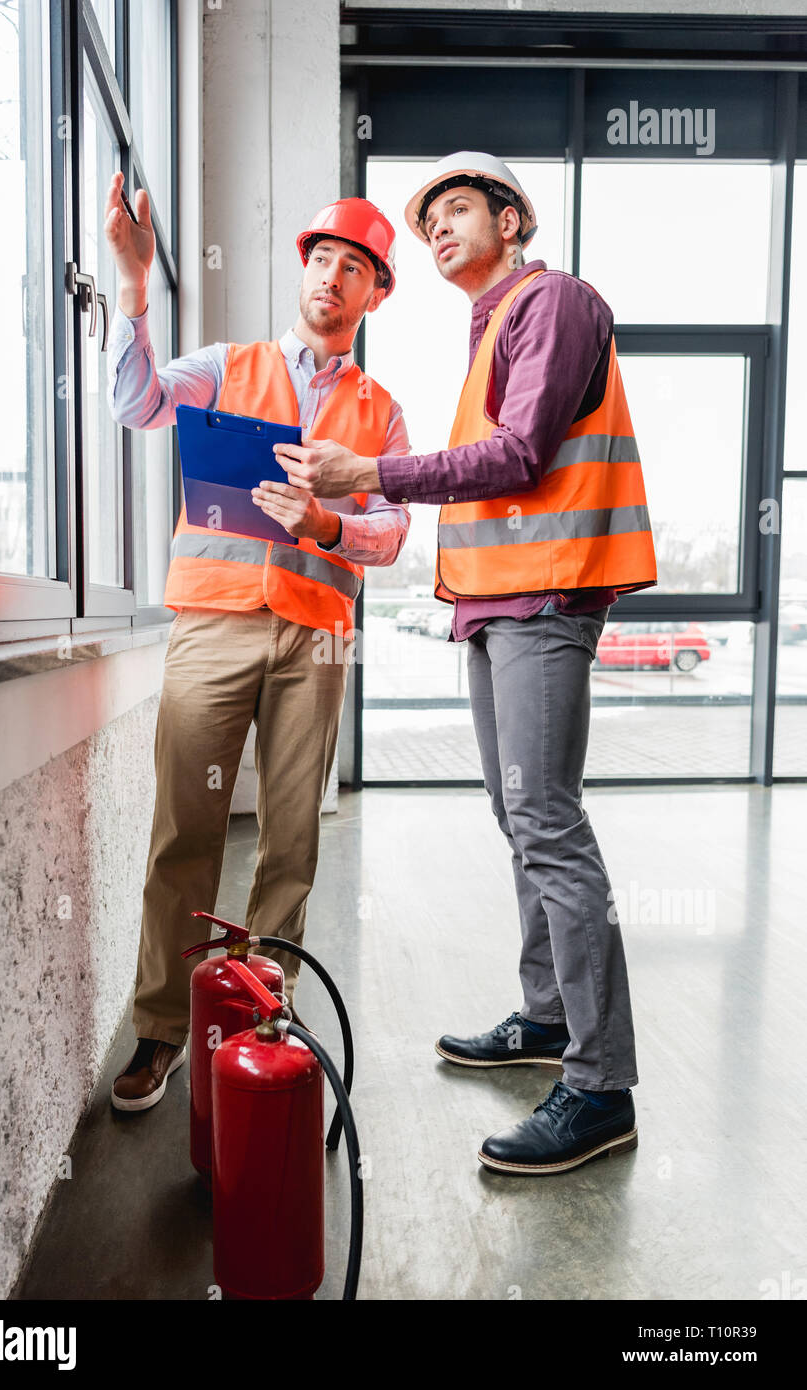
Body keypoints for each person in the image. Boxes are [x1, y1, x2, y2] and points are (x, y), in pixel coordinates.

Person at [275, 152, 657, 1174]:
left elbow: (519, 456)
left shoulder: (554, 302)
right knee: (519, 817)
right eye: (429, 216)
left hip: (546, 598)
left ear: (511, 219)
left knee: (548, 822)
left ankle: (601, 1082)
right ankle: (547, 1019)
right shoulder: (492, 326)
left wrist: (373, 472)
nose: (439, 227)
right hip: (497, 604)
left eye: (458, 209)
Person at [103, 172, 410, 1111]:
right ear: (304, 271)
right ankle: (161, 1031)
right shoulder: (228, 366)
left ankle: (258, 1022)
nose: (333, 277)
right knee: (181, 837)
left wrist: (327, 526)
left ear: (374, 294)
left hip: (314, 643)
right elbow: (137, 403)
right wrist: (130, 284)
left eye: (354, 267)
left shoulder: (382, 410)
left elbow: (392, 533)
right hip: (213, 629)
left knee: (290, 844)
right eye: (322, 258)